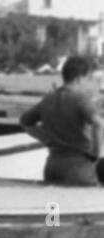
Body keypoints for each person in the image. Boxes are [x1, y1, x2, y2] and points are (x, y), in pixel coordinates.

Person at [18, 55, 102, 186]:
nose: (89, 84)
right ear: (79, 78)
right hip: (78, 166)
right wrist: (95, 154)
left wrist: (45, 137)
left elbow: (24, 122)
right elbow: (98, 123)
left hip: (52, 165)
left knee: (55, 205)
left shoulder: (48, 99)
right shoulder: (80, 98)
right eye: (88, 79)